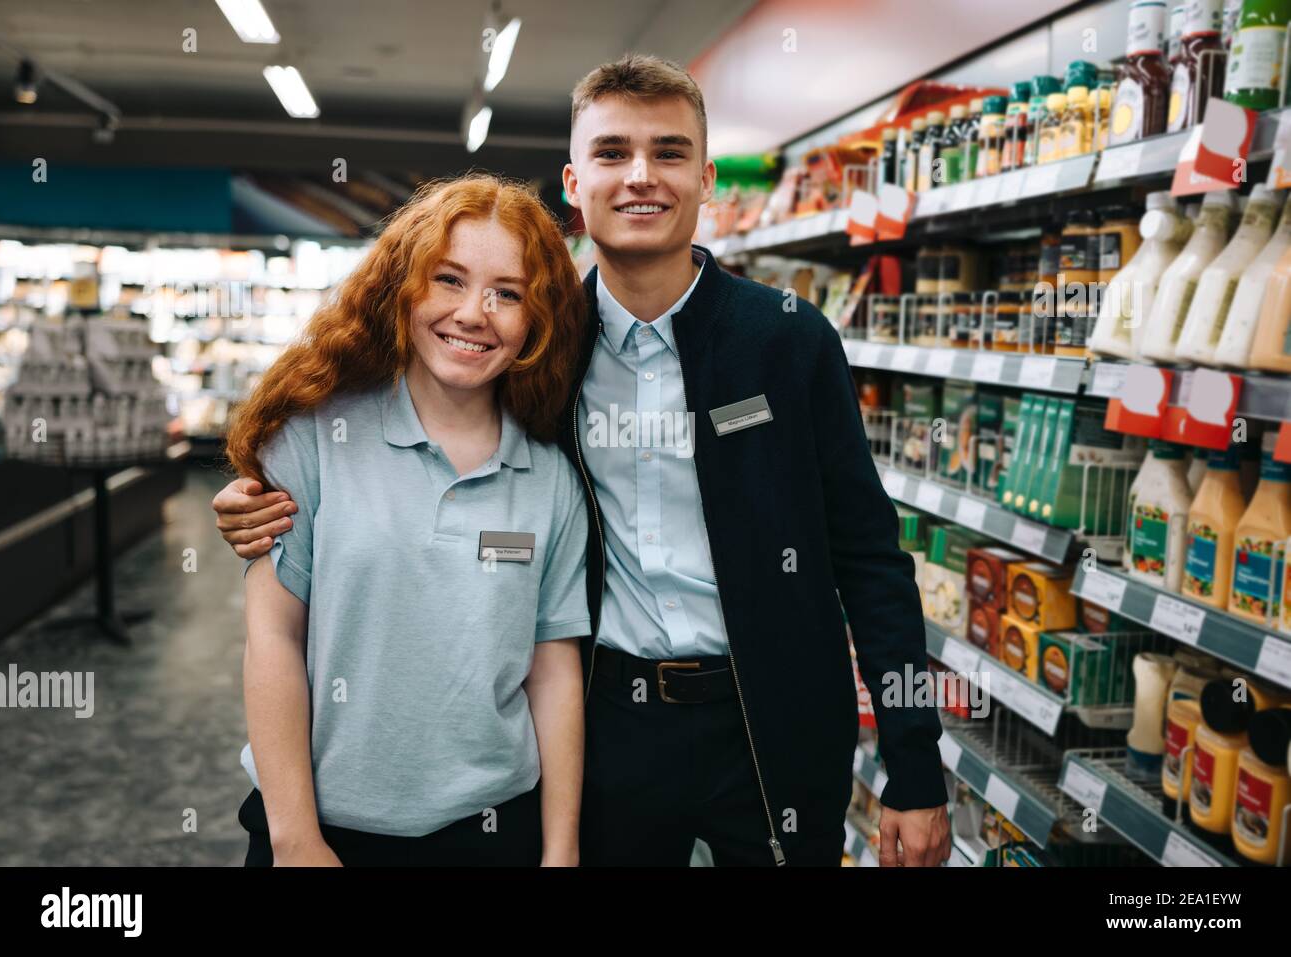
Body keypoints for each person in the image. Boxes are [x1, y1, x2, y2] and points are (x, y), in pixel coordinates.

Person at [216, 56, 952, 867]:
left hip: (772, 717)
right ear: (574, 180)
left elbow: (871, 558)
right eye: (612, 153)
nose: (642, 176)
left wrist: (914, 765)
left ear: (707, 178)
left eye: (669, 153)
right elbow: (413, 425)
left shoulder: (787, 339)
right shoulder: (542, 345)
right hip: (609, 728)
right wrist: (266, 488)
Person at [225, 174, 590, 866]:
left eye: (507, 293)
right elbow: (272, 635)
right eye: (448, 280)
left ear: (537, 320)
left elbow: (553, 670)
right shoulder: (312, 438)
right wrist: (296, 838)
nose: (474, 312)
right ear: (406, 287)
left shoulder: (550, 482)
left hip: (488, 833)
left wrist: (560, 849)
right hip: (323, 831)